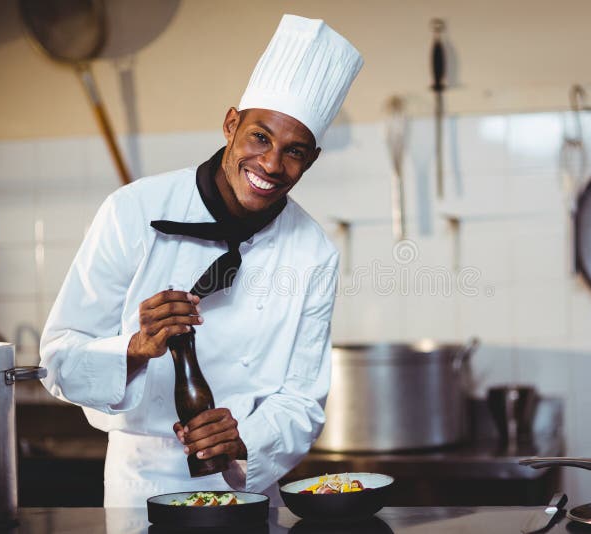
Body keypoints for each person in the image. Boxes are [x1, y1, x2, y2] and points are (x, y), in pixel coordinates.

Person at [39, 14, 363, 507]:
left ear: (312, 159)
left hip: (248, 484)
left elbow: (301, 400)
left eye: (294, 152)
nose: (272, 165)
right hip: (140, 486)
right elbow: (58, 358)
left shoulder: (312, 252)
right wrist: (134, 348)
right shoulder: (133, 210)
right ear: (232, 124)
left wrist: (244, 441)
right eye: (260, 137)